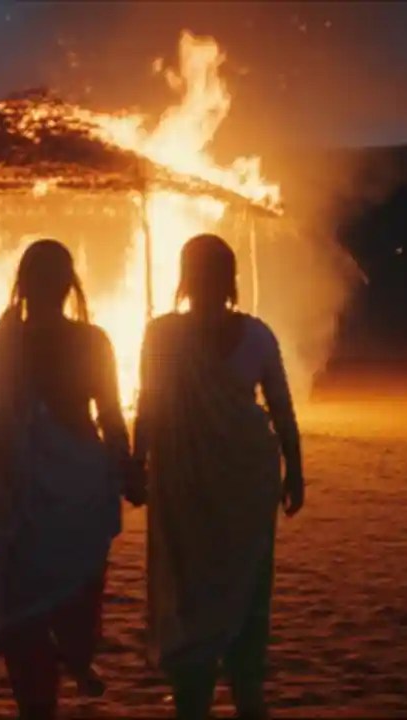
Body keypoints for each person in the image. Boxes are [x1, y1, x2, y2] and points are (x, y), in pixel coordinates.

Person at [132, 234, 304, 720]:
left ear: (185, 278)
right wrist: (295, 471)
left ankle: (195, 694)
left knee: (188, 583)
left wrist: (136, 462)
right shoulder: (257, 334)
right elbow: (281, 409)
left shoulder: (161, 334)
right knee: (247, 579)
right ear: (231, 279)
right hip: (249, 476)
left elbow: (149, 404)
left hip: (186, 477)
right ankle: (247, 692)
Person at [0, 239, 141, 720]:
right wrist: (125, 467)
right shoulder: (92, 342)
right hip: (80, 484)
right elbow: (111, 417)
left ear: (21, 286)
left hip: (21, 491)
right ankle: (72, 660)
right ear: (70, 285)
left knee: (26, 595)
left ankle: (37, 701)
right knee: (78, 585)